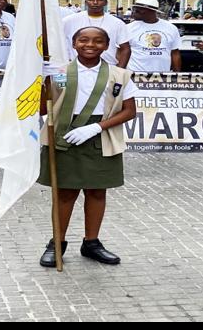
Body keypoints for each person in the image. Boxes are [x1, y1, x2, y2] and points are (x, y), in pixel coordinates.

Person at [37, 25, 137, 267]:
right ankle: (56, 243)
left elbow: (129, 111)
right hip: (64, 135)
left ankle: (91, 243)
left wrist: (96, 128)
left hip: (101, 135)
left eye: (97, 41)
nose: (90, 45)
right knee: (65, 193)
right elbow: (41, 109)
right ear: (74, 44)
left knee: (97, 191)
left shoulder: (119, 75)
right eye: (83, 40)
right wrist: (43, 81)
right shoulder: (59, 72)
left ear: (107, 46)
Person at [61, 0, 126, 65]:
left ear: (105, 3)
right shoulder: (69, 21)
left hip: (108, 67)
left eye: (99, 0)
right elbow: (58, 43)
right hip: (76, 68)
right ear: (86, 2)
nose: (95, 2)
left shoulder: (117, 23)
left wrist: (120, 69)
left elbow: (125, 48)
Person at [115, 0, 181, 73]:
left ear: (150, 11)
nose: (134, 12)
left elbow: (175, 53)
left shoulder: (170, 28)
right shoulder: (128, 28)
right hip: (135, 75)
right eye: (134, 9)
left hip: (163, 76)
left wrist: (177, 75)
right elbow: (120, 52)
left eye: (138, 10)